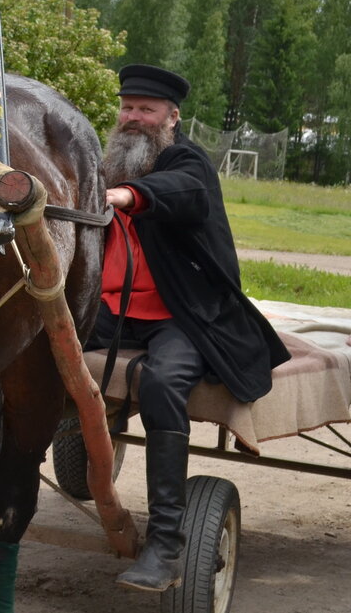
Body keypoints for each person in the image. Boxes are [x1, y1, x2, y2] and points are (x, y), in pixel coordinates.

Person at [86, 64, 290, 593]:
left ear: (171, 118)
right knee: (31, 341)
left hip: (186, 313)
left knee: (160, 381)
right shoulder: (106, 163)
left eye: (146, 110)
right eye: (127, 107)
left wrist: (130, 196)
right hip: (115, 308)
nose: (133, 118)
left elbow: (185, 191)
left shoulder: (186, 159)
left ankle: (166, 543)